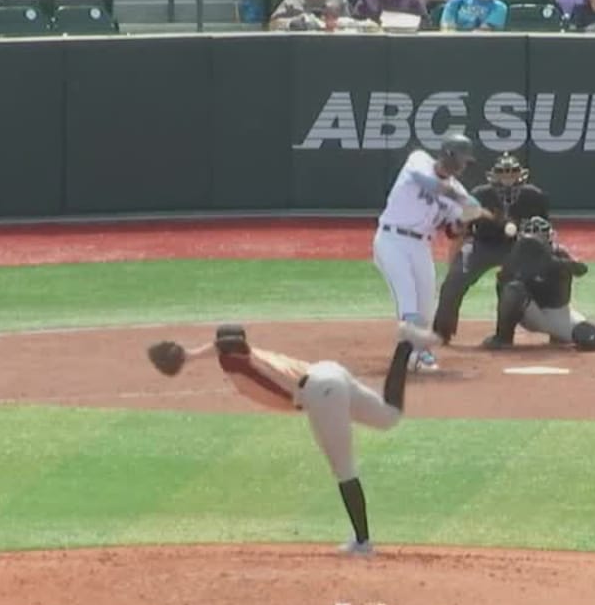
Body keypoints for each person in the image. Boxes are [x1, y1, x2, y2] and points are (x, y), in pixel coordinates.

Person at [145, 322, 440, 556]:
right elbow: (230, 337)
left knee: (344, 469)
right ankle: (405, 344)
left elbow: (230, 337)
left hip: (319, 392)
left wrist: (190, 355)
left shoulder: (237, 358)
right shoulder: (238, 361)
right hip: (328, 375)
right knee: (389, 417)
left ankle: (363, 543)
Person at [373, 133, 494, 373]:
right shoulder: (420, 161)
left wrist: (466, 220)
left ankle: (417, 349)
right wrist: (466, 201)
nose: (463, 166)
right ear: (448, 154)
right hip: (392, 240)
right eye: (462, 159)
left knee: (426, 305)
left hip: (420, 245)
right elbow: (431, 185)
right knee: (408, 299)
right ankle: (414, 355)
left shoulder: (457, 189)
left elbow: (451, 230)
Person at [432, 153, 550, 346]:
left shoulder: (534, 197)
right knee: (454, 281)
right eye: (503, 173)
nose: (507, 178)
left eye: (512, 173)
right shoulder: (479, 195)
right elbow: (462, 228)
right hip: (482, 244)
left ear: (521, 174)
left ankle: (503, 336)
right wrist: (454, 259)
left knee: (511, 287)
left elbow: (544, 233)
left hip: (517, 248)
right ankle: (441, 332)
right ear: (494, 175)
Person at [480, 217, 595, 353]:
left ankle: (557, 336)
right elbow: (502, 281)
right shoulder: (515, 255)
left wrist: (552, 263)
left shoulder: (559, 253)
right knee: (513, 289)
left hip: (557, 315)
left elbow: (581, 269)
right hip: (529, 312)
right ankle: (503, 338)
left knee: (594, 338)